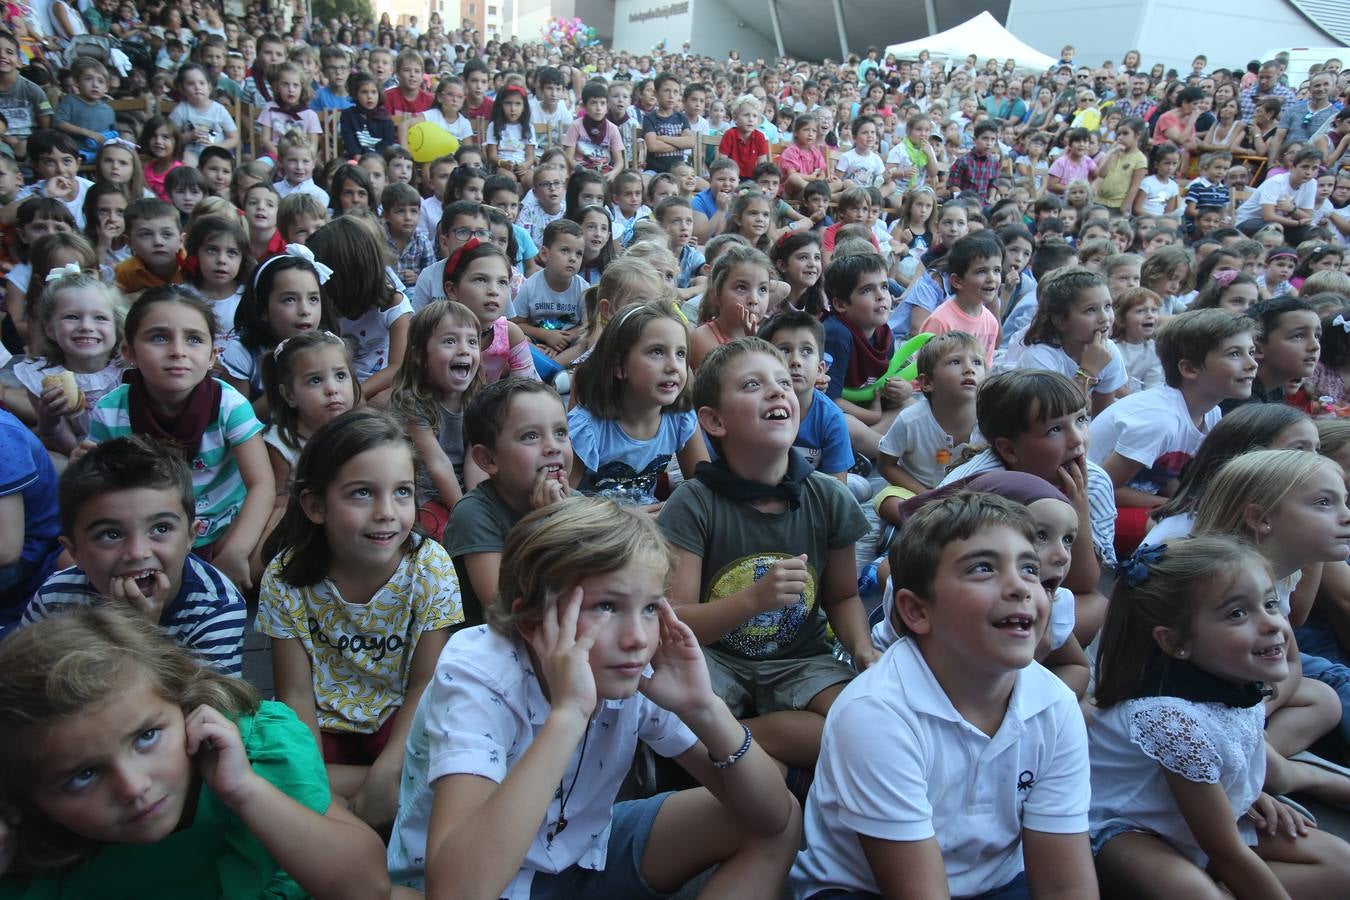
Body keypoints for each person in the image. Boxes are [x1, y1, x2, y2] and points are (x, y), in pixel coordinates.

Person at [388, 497, 800, 896]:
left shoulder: (632, 670)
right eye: (605, 606)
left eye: (650, 608)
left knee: (780, 820)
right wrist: (568, 714)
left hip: (583, 852)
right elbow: (457, 891)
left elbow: (772, 814)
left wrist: (704, 708)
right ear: (533, 621)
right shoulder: (479, 673)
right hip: (490, 877)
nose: (638, 639)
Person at [790, 491, 1095, 899]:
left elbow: (1063, 885)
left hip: (997, 882)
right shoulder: (876, 713)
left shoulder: (1055, 704)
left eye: (1029, 569)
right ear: (917, 611)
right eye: (984, 568)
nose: (1020, 588)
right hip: (863, 888)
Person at [0, 606, 391, 898]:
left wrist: (245, 790)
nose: (134, 787)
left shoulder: (249, 753)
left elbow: (369, 888)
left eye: (146, 737)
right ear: (28, 799)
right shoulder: (27, 850)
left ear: (186, 706)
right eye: (82, 775)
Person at [1091, 537, 1350, 896]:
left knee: (1342, 864)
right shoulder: (1172, 721)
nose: (1271, 623)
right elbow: (1225, 850)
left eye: (1270, 603)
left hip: (1196, 820)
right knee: (1196, 893)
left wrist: (1246, 793)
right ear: (1174, 642)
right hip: (1131, 828)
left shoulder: (1235, 679)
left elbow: (1233, 754)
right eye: (1237, 613)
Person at [661, 338, 876, 770]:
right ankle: (746, 755)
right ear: (714, 421)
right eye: (753, 384)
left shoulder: (829, 498)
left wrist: (863, 648)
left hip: (801, 660)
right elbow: (677, 619)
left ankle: (728, 748)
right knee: (669, 711)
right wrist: (751, 602)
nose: (778, 391)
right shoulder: (693, 503)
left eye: (782, 382)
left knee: (860, 727)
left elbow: (843, 598)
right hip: (714, 660)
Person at [257, 409, 462, 832]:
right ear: (315, 506)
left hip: (402, 720)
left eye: (402, 492)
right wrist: (309, 783)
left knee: (456, 753)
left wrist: (390, 769)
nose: (388, 512)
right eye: (362, 493)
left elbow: (426, 683)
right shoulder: (285, 577)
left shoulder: (430, 566)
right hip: (325, 728)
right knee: (267, 762)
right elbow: (294, 694)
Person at [90, 285, 272, 589]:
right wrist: (85, 469)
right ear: (129, 353)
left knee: (266, 565)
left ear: (213, 355)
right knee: (69, 564)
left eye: (194, 339)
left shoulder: (229, 405)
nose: (178, 350)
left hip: (223, 524)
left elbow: (262, 484)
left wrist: (236, 551)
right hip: (145, 533)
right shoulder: (111, 411)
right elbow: (103, 495)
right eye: (159, 337)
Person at [20, 435, 245, 673]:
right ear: (74, 551)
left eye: (161, 528)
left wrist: (139, 632)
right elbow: (20, 687)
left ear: (191, 536)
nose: (137, 552)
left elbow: (207, 708)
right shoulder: (55, 599)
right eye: (111, 534)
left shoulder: (216, 609)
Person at [1090, 309, 1257, 555]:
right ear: (1189, 369)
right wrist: (1173, 505)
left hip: (1128, 503)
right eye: (1234, 354)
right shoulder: (1159, 420)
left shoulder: (1210, 414)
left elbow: (1164, 473)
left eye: (1251, 352)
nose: (1252, 363)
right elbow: (1100, 489)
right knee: (1181, 533)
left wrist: (1190, 501)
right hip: (1087, 509)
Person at [569, 302, 706, 506]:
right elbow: (561, 504)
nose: (673, 366)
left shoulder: (681, 417)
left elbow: (703, 489)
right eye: (657, 352)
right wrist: (627, 519)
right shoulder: (586, 428)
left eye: (680, 353)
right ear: (619, 366)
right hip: (594, 528)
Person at [257, 330, 359, 533]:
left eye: (340, 375)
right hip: (301, 525)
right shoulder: (279, 444)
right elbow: (276, 504)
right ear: (289, 395)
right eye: (315, 380)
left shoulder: (361, 431)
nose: (332, 389)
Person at [221, 242, 340, 408]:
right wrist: (286, 388)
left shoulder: (329, 346)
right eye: (289, 299)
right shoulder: (242, 352)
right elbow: (234, 423)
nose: (305, 310)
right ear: (262, 309)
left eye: (313, 299)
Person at [18, 270, 124, 454]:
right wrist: (50, 420)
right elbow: (60, 441)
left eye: (100, 318)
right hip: (79, 459)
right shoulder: (43, 378)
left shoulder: (129, 369)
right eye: (72, 317)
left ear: (117, 327)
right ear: (50, 329)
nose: (86, 327)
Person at [307, 216, 413, 398]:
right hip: (337, 387)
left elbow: (399, 367)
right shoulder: (325, 306)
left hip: (381, 386)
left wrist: (357, 394)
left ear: (344, 273)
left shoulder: (393, 304)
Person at [875, 331, 984, 501]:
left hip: (970, 496)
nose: (970, 369)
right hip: (917, 490)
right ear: (926, 382)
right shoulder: (910, 420)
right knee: (888, 500)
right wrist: (924, 494)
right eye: (955, 361)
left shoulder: (990, 422)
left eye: (977, 362)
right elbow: (885, 465)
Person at [1007, 266, 1126, 415]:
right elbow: (1056, 415)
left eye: (1107, 306)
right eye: (1090, 310)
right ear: (1061, 321)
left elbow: (1102, 415)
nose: (1104, 317)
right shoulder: (1039, 357)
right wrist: (1088, 371)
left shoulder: (1107, 349)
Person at [759, 311, 853, 477]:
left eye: (807, 351)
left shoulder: (831, 419)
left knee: (861, 489)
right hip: (765, 488)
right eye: (784, 350)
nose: (796, 360)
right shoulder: (755, 409)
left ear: (820, 370)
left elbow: (836, 491)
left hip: (813, 493)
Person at [1220, 296, 1321, 412]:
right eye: (1298, 336)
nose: (1315, 346)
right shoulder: (1238, 398)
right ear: (1257, 348)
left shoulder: (1275, 388)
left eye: (1317, 336)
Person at [922, 232, 1004, 366]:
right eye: (982, 271)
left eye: (996, 270)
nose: (992, 278)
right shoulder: (940, 321)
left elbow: (984, 370)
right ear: (957, 281)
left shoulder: (991, 322)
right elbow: (923, 369)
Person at [1234, 148, 1322, 245]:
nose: (1309, 172)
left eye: (1314, 168)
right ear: (1292, 167)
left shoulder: (1311, 183)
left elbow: (1308, 217)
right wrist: (1297, 223)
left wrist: (1292, 209)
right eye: (1305, 167)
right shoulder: (1276, 182)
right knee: (1274, 227)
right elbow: (1268, 216)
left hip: (1281, 223)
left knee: (1312, 233)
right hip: (1249, 222)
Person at [113, 198, 184, 297]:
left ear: (181, 240)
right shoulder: (125, 272)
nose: (158, 242)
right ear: (129, 242)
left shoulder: (198, 266)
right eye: (146, 234)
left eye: (167, 234)